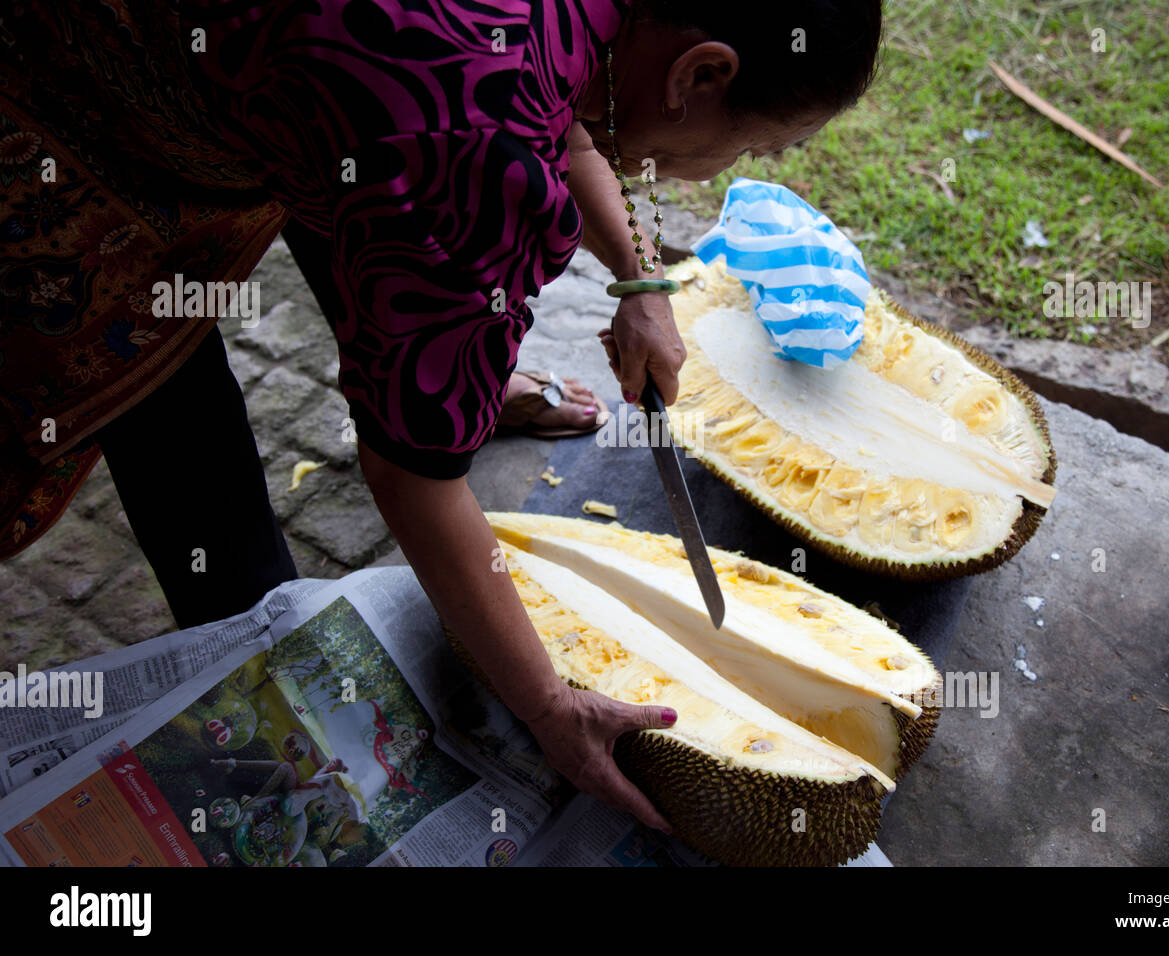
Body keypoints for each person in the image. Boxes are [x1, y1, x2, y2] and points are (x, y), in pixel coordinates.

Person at [0, 0, 883, 833]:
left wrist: (637, 271)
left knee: (379, 186)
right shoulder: (471, 152)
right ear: (700, 76)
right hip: (71, 95)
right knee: (166, 387)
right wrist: (548, 705)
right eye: (762, 144)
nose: (746, 166)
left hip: (286, 59)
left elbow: (561, 107)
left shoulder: (579, 37)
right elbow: (409, 481)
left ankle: (436, 368)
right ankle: (263, 633)